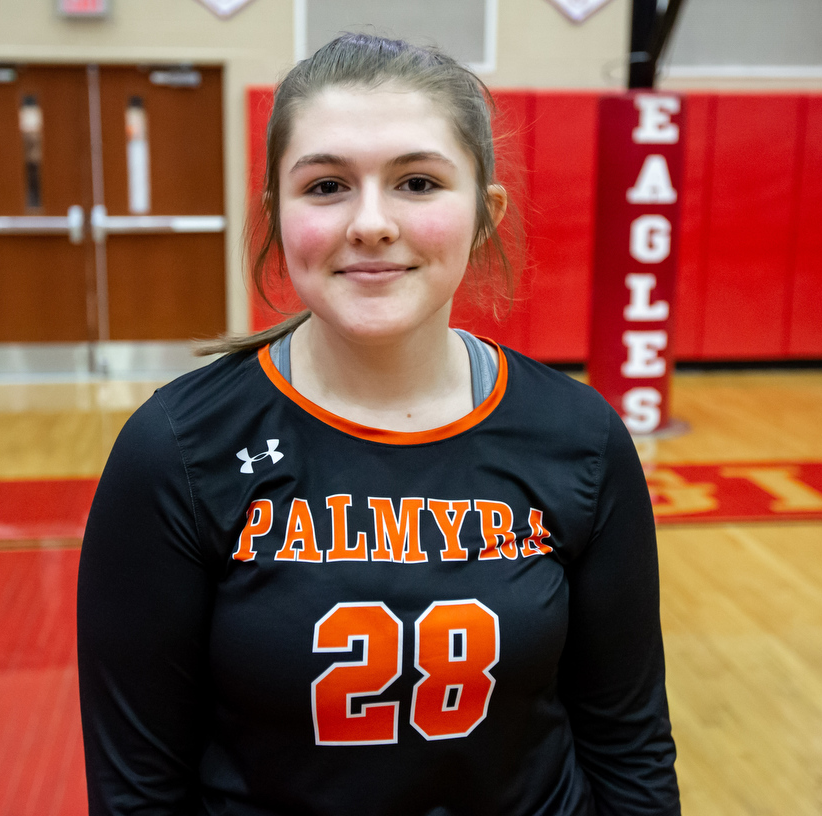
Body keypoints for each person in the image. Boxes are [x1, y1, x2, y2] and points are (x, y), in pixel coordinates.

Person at [77, 32, 680, 816]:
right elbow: (136, 792)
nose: (370, 222)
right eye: (326, 185)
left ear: (484, 212)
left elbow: (629, 749)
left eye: (418, 182)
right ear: (276, 214)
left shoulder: (581, 439)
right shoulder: (179, 451)